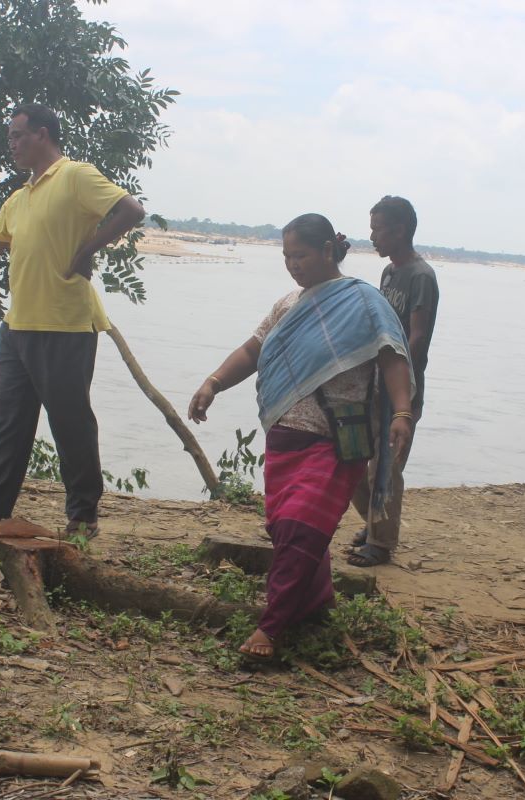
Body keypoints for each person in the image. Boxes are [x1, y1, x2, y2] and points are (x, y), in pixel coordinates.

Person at [187, 214, 414, 661]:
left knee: (301, 528)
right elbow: (252, 350)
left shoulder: (363, 302)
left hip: (337, 440)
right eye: (287, 256)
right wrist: (213, 382)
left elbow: (392, 356)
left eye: (301, 255)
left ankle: (271, 627)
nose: (293, 265)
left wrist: (402, 412)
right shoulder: (287, 305)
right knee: (287, 528)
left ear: (328, 250)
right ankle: (316, 604)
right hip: (284, 438)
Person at [0, 104, 145, 535]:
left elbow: (131, 209)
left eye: (18, 136)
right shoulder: (19, 198)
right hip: (17, 325)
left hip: (65, 324)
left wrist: (88, 250)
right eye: (10, 138)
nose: (12, 144)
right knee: (6, 423)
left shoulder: (75, 175)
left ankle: (82, 515)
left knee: (70, 423)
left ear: (43, 134)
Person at [345, 196, 438, 567]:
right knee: (354, 457)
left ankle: (381, 544)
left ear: (399, 231)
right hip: (375, 382)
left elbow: (418, 336)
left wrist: (398, 383)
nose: (372, 237)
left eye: (378, 229)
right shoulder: (388, 273)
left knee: (386, 464)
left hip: (401, 388)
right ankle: (374, 523)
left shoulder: (421, 276)